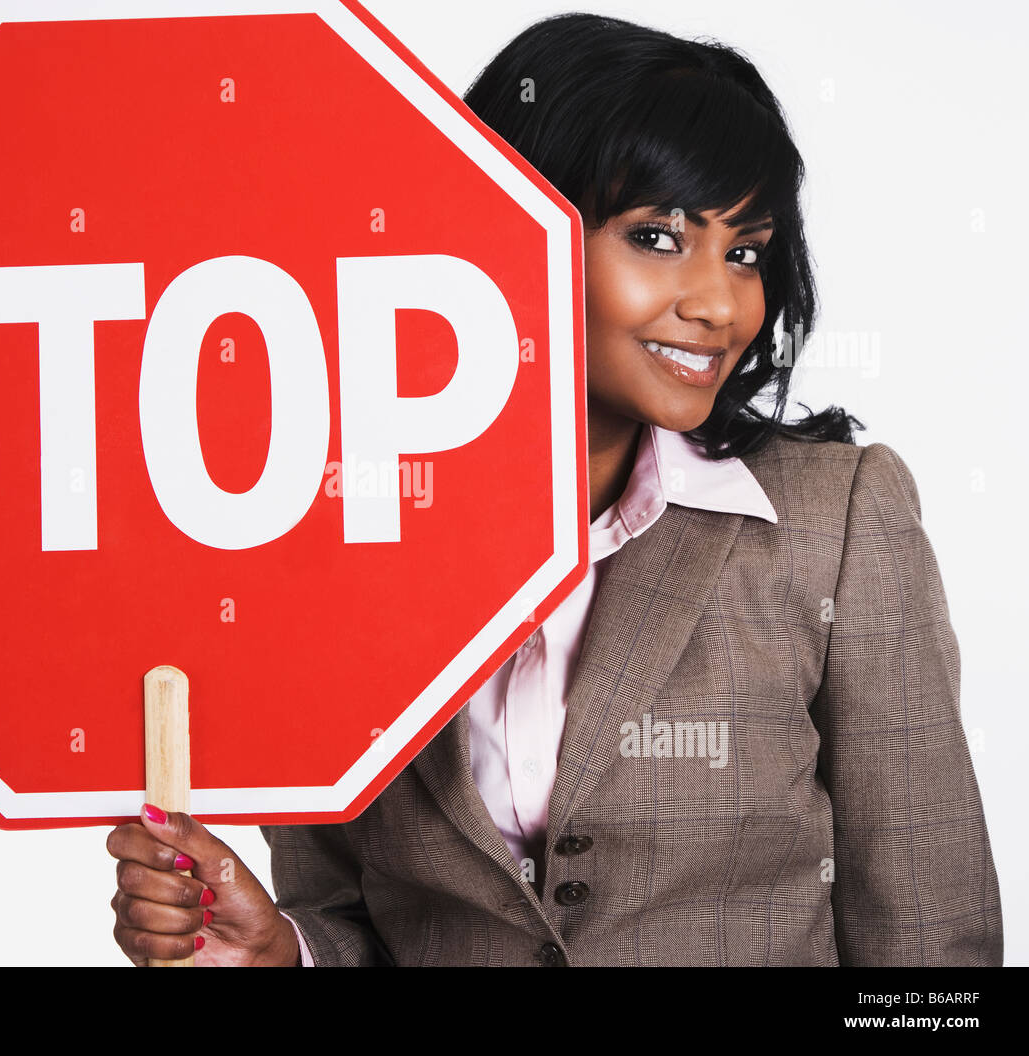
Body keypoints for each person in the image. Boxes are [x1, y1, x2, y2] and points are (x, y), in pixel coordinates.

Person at [107, 12, 1002, 966]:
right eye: (658, 237)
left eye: (746, 251)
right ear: (505, 223)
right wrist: (284, 951)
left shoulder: (836, 523)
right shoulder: (339, 530)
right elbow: (355, 918)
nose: (719, 303)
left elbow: (931, 950)